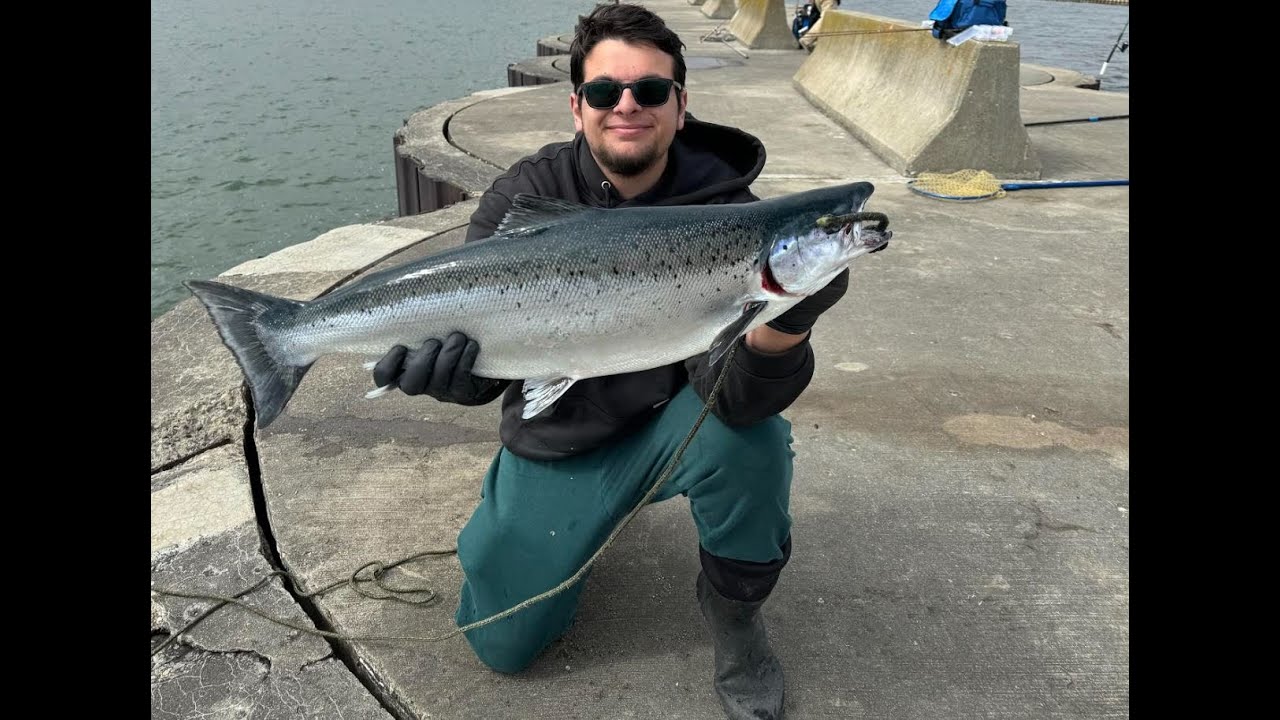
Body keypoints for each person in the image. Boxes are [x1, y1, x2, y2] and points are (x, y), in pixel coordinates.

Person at [372, 4, 849, 719]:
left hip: (674, 428)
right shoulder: (525, 195)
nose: (627, 106)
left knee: (752, 444)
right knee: (501, 645)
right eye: (604, 91)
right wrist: (447, 375)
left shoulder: (730, 213)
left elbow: (740, 402)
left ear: (680, 106)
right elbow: (482, 375)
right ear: (577, 106)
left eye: (650, 90)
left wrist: (788, 324)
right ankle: (525, 529)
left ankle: (736, 620)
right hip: (560, 438)